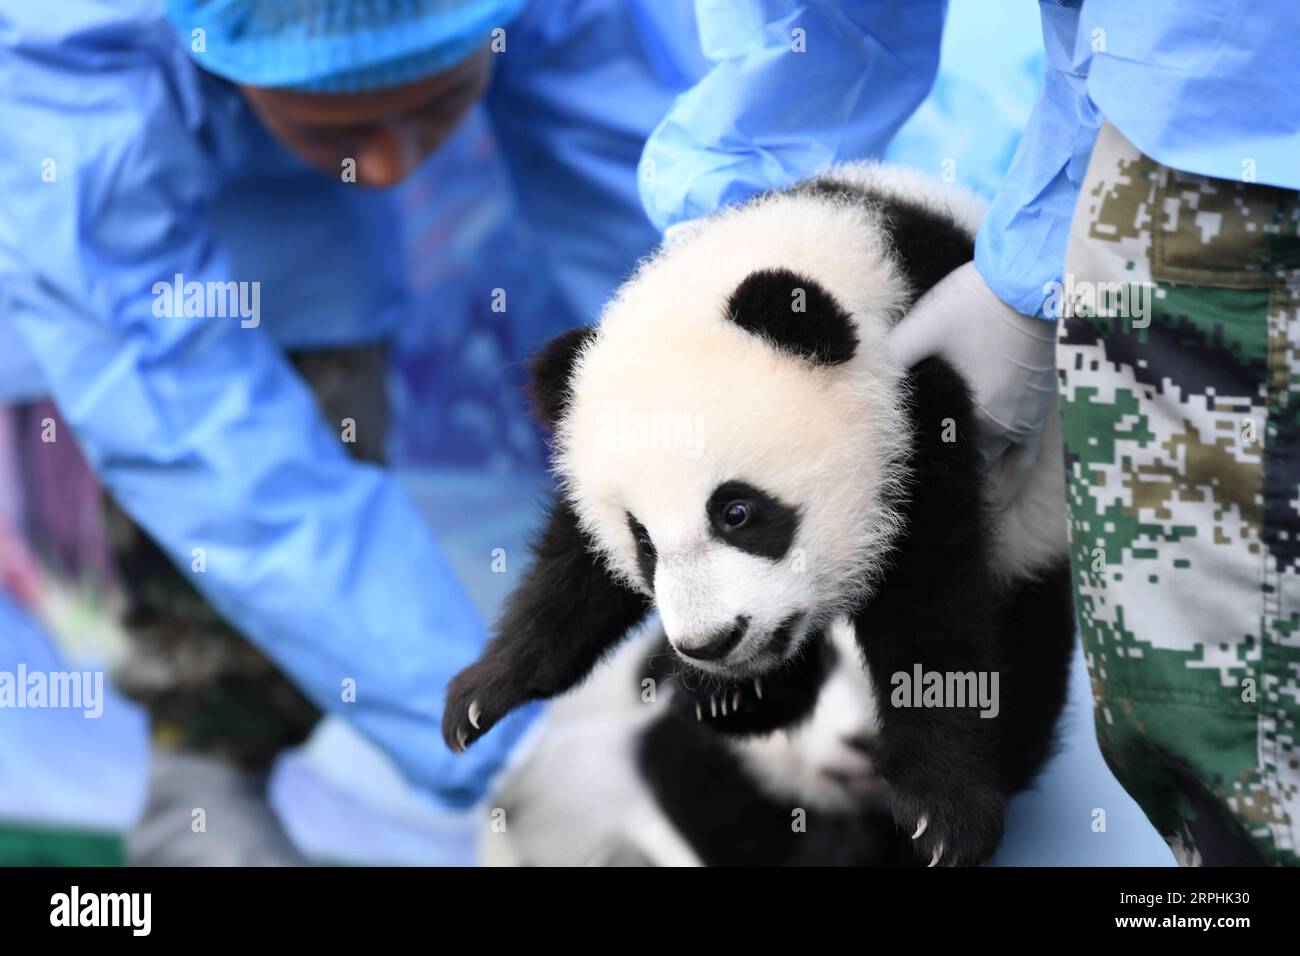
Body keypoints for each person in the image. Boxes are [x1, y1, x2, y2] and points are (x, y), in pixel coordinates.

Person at [0, 0, 943, 864]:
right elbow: (191, 424)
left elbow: (625, 195)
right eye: (342, 126)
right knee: (277, 395)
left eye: (435, 103)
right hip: (138, 202)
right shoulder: (81, 70)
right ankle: (203, 771)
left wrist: (734, 402)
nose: (394, 170)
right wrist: (510, 746)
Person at [644, 0, 1297, 864]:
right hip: (1171, 124)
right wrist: (733, 197)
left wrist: (1029, 273)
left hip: (1225, 127)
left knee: (1226, 727)